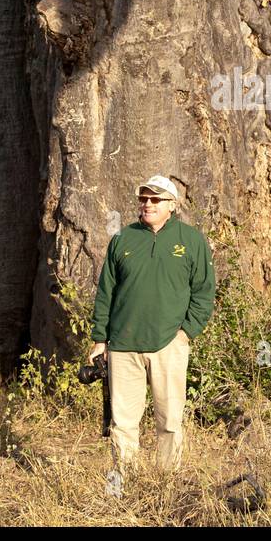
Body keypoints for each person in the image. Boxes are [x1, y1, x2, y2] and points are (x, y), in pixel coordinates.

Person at [88, 175, 215, 473]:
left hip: (169, 344)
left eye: (155, 199)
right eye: (143, 198)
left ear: (172, 205)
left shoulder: (191, 240)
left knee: (169, 421)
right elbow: (106, 292)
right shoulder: (122, 238)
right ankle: (123, 485)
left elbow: (204, 291)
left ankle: (167, 486)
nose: (147, 204)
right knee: (123, 423)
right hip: (123, 346)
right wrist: (99, 340)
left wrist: (185, 334)